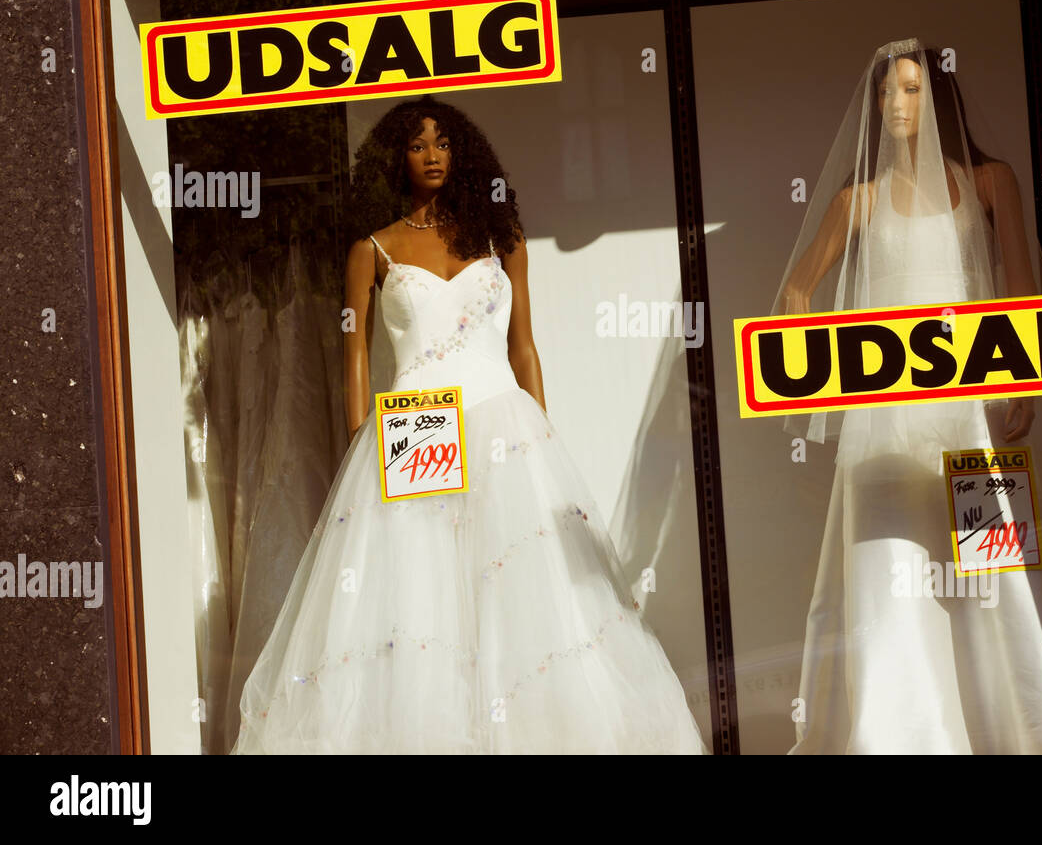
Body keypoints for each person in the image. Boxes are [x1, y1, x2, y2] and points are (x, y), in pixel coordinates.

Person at [232, 96, 705, 754]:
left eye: (444, 143)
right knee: (418, 603)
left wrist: (543, 434)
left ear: (463, 155)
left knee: (525, 596)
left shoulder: (499, 240)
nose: (432, 155)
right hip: (414, 426)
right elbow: (356, 356)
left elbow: (523, 347)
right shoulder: (371, 250)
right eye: (419, 143)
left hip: (502, 422)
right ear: (397, 156)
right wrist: (357, 453)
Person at [776, 39, 1042, 754]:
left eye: (911, 90)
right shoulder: (856, 200)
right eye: (886, 93)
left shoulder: (990, 183)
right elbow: (797, 290)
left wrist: (1025, 383)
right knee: (889, 579)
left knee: (989, 574)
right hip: (884, 421)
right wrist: (818, 372)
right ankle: (896, 735)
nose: (895, 105)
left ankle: (1009, 733)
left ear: (936, 98)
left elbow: (1020, 288)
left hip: (964, 413)